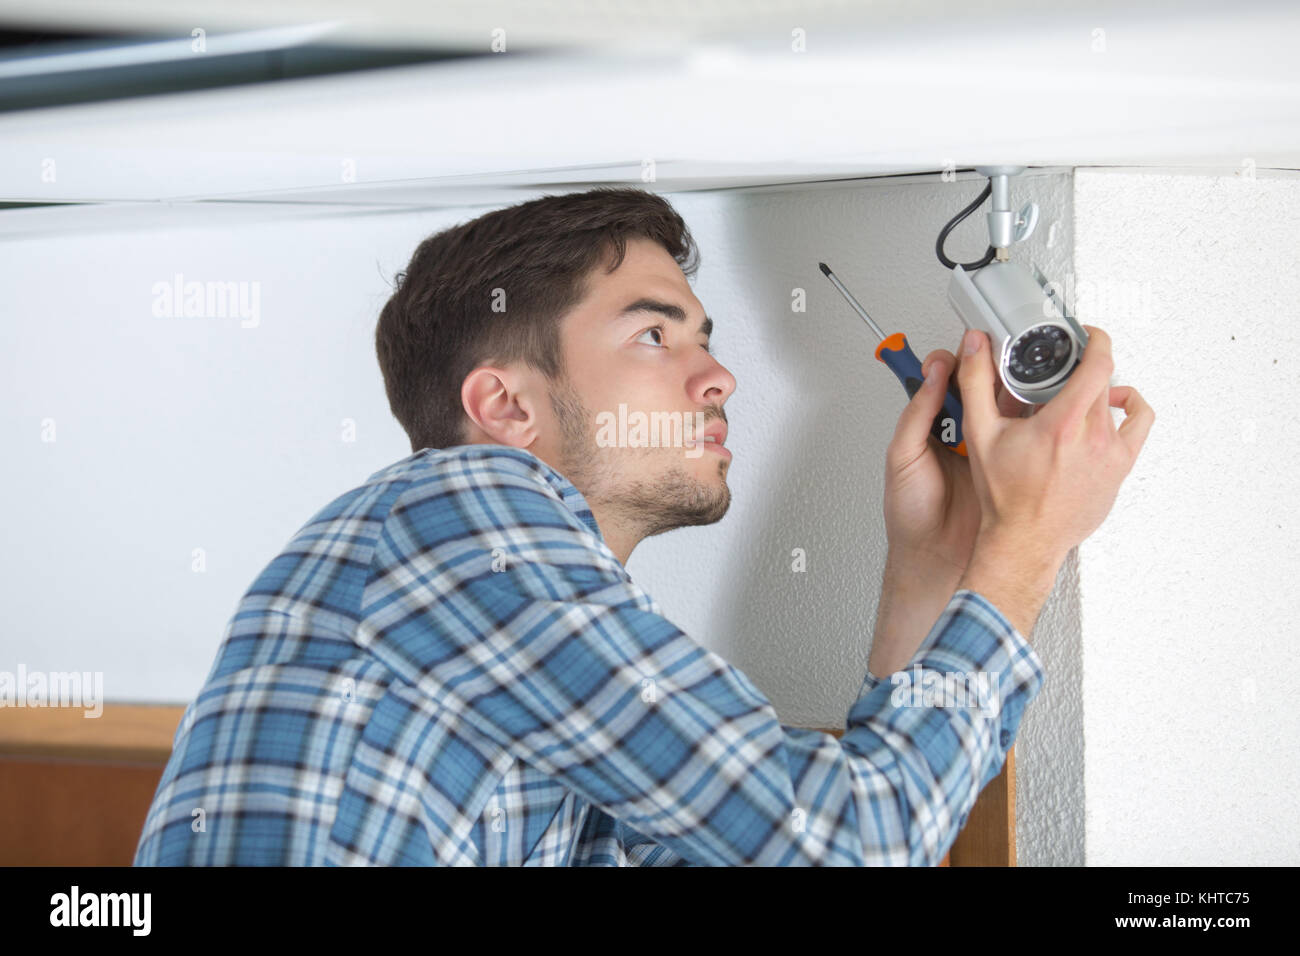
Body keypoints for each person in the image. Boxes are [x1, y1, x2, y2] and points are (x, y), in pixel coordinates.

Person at [134, 186, 1153, 866]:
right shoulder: (456, 511)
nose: (718, 375)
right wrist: (1027, 545)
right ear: (503, 407)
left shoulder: (522, 637)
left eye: (701, 337)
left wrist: (934, 568)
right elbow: (853, 845)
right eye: (653, 333)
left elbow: (833, 838)